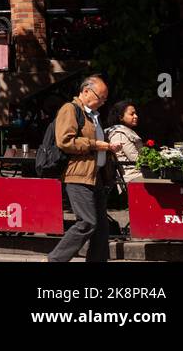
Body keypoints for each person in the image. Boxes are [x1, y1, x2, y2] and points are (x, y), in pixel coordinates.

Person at [49, 76, 123, 263]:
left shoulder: (94, 116)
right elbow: (65, 141)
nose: (103, 101)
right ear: (86, 91)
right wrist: (96, 144)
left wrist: (107, 147)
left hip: (94, 176)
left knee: (101, 228)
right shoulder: (70, 109)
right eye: (101, 97)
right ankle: (55, 260)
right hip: (78, 175)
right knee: (87, 222)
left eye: (105, 99)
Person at [104, 99, 144, 184]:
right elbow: (135, 158)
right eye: (131, 114)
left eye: (135, 113)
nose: (136, 116)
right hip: (132, 176)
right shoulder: (120, 134)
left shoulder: (126, 131)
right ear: (120, 117)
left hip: (138, 173)